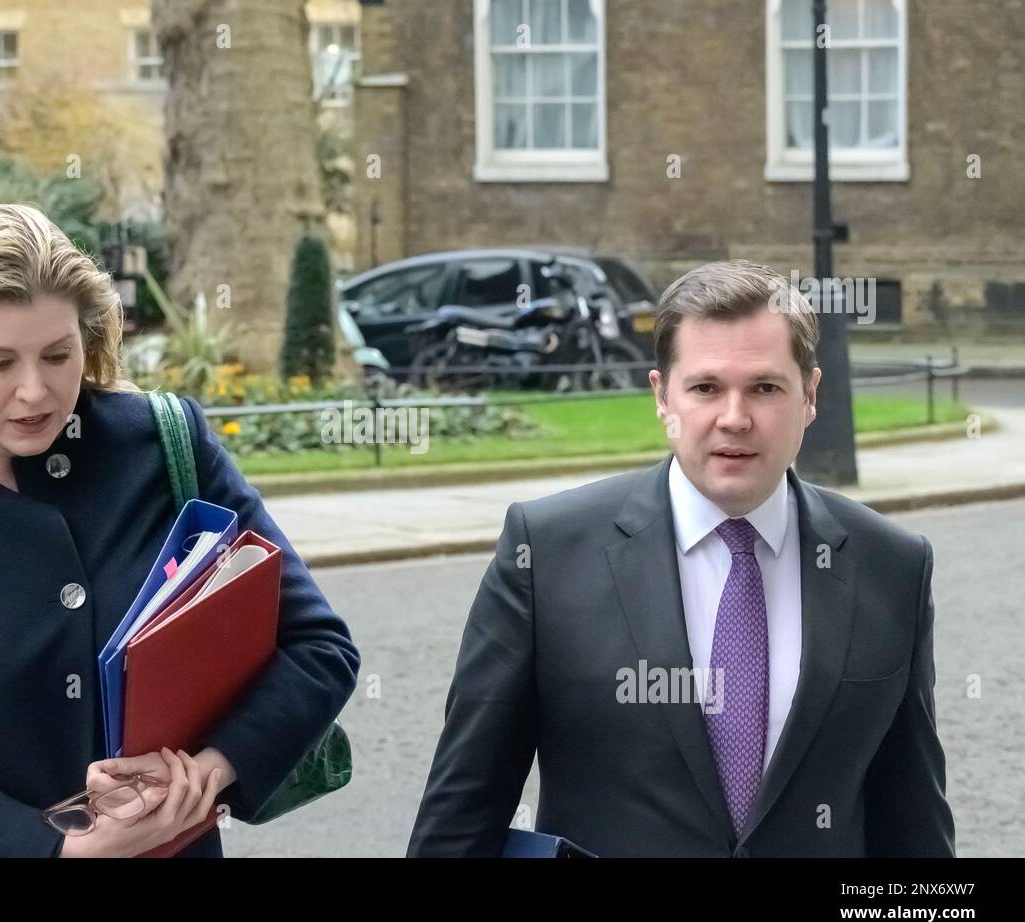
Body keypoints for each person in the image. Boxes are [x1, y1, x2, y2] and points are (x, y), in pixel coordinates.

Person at [0, 203, 360, 857]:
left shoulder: (163, 443)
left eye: (57, 354)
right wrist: (63, 849)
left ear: (87, 341)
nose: (35, 391)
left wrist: (204, 773)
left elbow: (320, 647)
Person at [407, 260, 955, 857]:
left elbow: (912, 818)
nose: (735, 418)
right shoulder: (545, 553)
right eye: (706, 388)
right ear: (661, 396)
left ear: (811, 397)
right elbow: (464, 807)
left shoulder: (891, 566)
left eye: (765, 388)